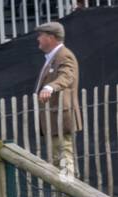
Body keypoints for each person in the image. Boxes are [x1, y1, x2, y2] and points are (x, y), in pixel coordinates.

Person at [33, 21, 80, 181]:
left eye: (41, 35)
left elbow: (67, 76)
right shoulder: (52, 57)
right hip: (53, 120)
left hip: (61, 119)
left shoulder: (64, 55)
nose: (38, 39)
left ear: (51, 38)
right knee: (57, 164)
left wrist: (50, 87)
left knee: (64, 163)